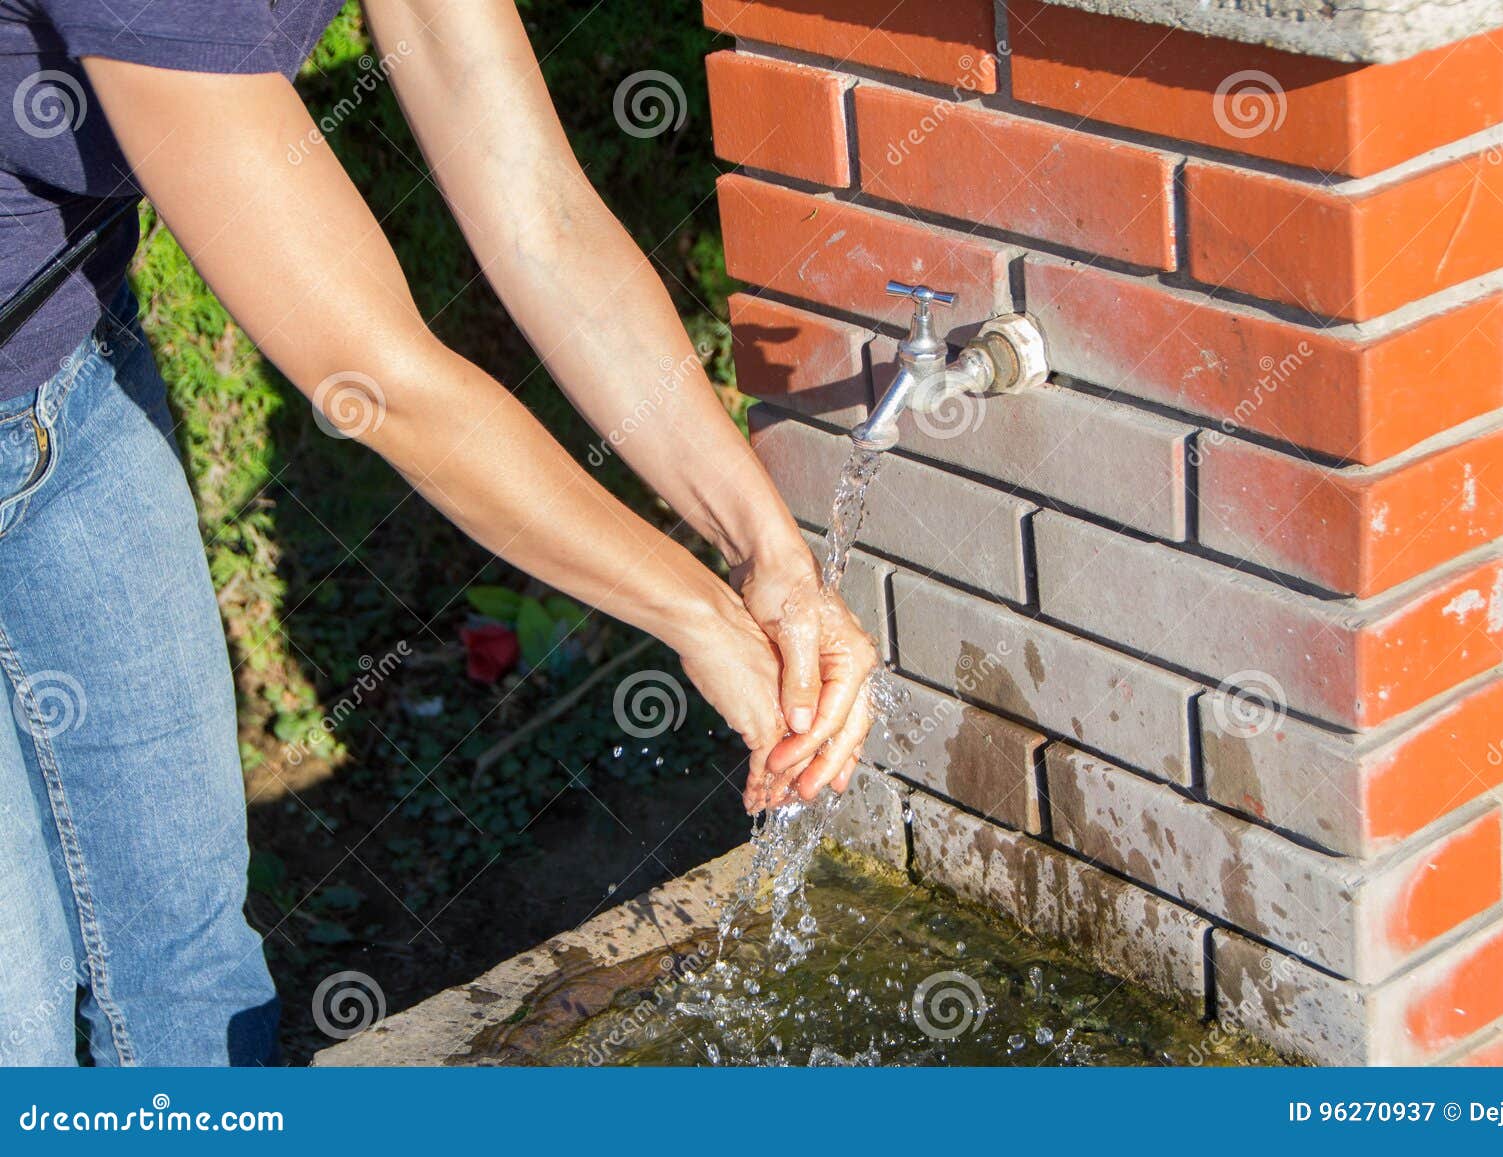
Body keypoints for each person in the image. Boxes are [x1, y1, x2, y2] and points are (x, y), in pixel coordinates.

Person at [0, 0, 879, 1067]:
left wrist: (763, 549)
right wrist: (696, 613)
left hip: (64, 372)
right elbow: (372, 380)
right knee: (21, 1021)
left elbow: (540, 219)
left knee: (184, 967)